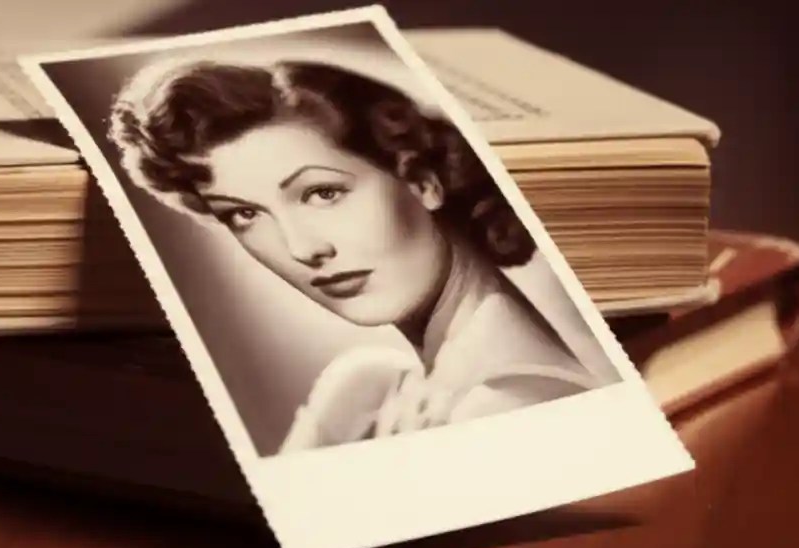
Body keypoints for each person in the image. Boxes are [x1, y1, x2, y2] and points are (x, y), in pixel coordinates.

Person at [107, 56, 603, 453]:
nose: (303, 249)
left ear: (420, 180)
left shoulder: (514, 406)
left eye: (323, 192)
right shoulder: (367, 388)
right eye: (244, 215)